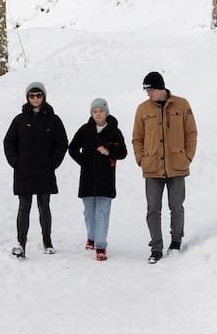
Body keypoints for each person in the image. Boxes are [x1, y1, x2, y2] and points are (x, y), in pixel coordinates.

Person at [131, 71, 197, 264]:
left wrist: (187, 157)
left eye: (150, 89)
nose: (147, 93)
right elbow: (137, 138)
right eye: (146, 90)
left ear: (160, 88)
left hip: (177, 165)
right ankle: (156, 247)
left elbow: (191, 133)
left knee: (176, 207)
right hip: (152, 167)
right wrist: (141, 160)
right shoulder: (142, 109)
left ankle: (176, 242)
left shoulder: (182, 104)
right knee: (153, 209)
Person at [3, 81, 68, 257]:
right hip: (23, 172)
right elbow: (8, 142)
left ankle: (47, 241)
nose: (35, 98)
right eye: (32, 96)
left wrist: (52, 163)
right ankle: (21, 243)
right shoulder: (19, 120)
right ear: (27, 98)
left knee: (44, 205)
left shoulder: (53, 120)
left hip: (44, 171)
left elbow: (62, 144)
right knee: (24, 206)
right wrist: (16, 162)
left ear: (44, 97)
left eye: (38, 95)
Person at [67, 98, 128, 262]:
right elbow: (72, 148)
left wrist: (109, 151)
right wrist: (84, 162)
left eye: (100, 111)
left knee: (102, 213)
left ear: (106, 112)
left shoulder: (114, 131)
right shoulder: (85, 129)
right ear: (91, 114)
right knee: (89, 213)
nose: (98, 114)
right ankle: (92, 237)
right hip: (87, 179)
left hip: (106, 179)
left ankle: (100, 246)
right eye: (95, 111)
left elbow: (123, 152)